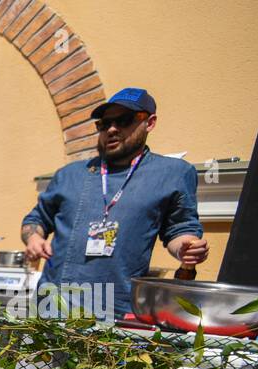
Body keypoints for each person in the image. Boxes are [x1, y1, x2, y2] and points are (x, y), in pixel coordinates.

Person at [21, 88, 208, 319]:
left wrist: (186, 249)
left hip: (115, 313)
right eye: (104, 123)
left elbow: (179, 230)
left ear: (149, 123)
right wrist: (34, 238)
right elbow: (36, 220)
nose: (111, 129)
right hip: (49, 309)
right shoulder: (69, 175)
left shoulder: (172, 173)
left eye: (124, 120)